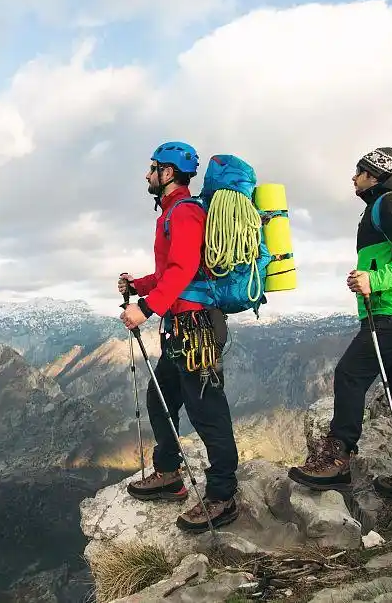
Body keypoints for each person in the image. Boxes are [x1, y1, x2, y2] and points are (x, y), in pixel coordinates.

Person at [287, 147, 392, 497]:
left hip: (391, 312)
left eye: (358, 171)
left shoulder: (390, 203)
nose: (353, 178)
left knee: (349, 374)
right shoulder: (383, 205)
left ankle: (337, 460)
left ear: (374, 175)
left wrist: (375, 280)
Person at [117, 141, 240, 533]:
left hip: (196, 329)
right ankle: (169, 473)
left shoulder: (184, 213)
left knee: (207, 412)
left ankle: (223, 495)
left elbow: (184, 269)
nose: (147, 174)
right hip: (183, 329)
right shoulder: (174, 213)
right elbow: (173, 270)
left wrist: (146, 307)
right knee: (161, 399)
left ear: (168, 173)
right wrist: (138, 284)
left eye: (152, 167)